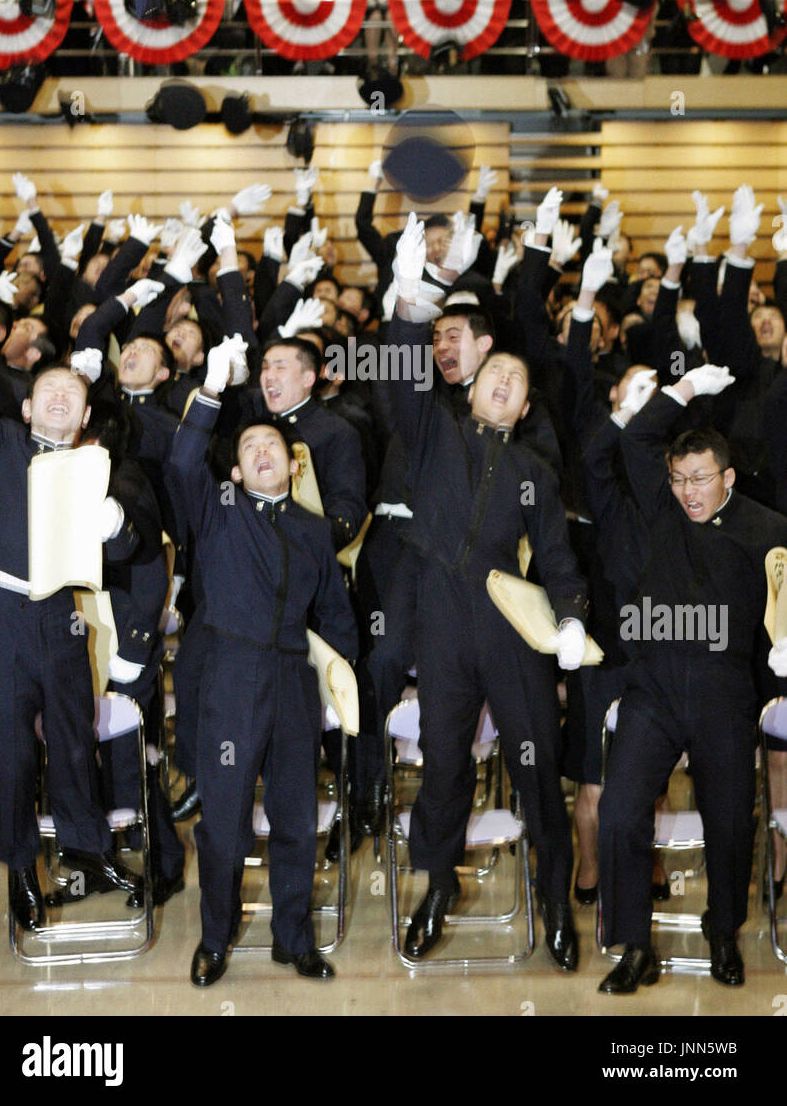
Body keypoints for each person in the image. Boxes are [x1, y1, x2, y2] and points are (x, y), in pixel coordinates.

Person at [387, 214, 588, 967]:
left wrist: (570, 621)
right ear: (473, 389)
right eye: (491, 377)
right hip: (441, 626)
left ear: (525, 405)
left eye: (514, 383)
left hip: (509, 631)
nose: (500, 386)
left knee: (536, 772)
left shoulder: (536, 474)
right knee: (443, 768)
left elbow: (563, 564)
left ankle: (555, 901)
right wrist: (410, 301)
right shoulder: (434, 430)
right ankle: (435, 888)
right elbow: (406, 370)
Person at [169, 337, 358, 987]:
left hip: (292, 679)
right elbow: (184, 460)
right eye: (249, 450)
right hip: (229, 672)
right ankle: (214, 940)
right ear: (237, 473)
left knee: (297, 817)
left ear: (291, 464)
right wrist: (211, 393)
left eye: (271, 447)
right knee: (222, 820)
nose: (260, 453)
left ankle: (293, 939)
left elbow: (334, 613)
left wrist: (340, 688)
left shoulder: (311, 529)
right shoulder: (217, 511)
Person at [597, 365, 787, 993]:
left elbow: (783, 608)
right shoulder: (661, 510)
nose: (688, 492)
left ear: (728, 478)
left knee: (731, 819)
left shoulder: (767, 530)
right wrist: (679, 393)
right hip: (652, 687)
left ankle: (723, 931)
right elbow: (633, 444)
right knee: (622, 810)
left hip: (724, 690)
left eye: (701, 479)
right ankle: (633, 945)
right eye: (680, 480)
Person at [0, 253, 143, 933]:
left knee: (75, 740)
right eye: (49, 390)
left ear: (85, 415)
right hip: (0, 616)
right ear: (25, 404)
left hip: (62, 617)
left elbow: (130, 551)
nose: (61, 398)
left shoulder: (93, 465)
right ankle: (18, 869)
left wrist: (117, 522)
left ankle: (88, 850)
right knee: (13, 750)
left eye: (72, 393)